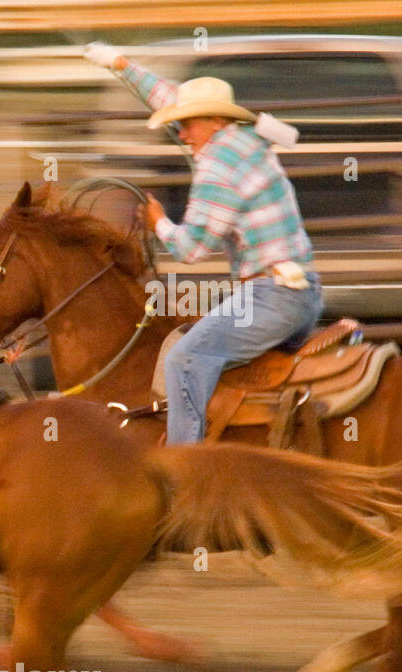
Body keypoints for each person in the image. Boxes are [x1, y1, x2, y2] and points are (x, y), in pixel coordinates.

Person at [85, 43, 323, 444]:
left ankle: (186, 468)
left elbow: (192, 249)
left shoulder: (217, 163)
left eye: (188, 125)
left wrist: (159, 223)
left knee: (185, 358)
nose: (181, 134)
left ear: (213, 120)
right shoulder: (245, 138)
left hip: (272, 298)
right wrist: (121, 64)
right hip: (299, 293)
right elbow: (169, 97)